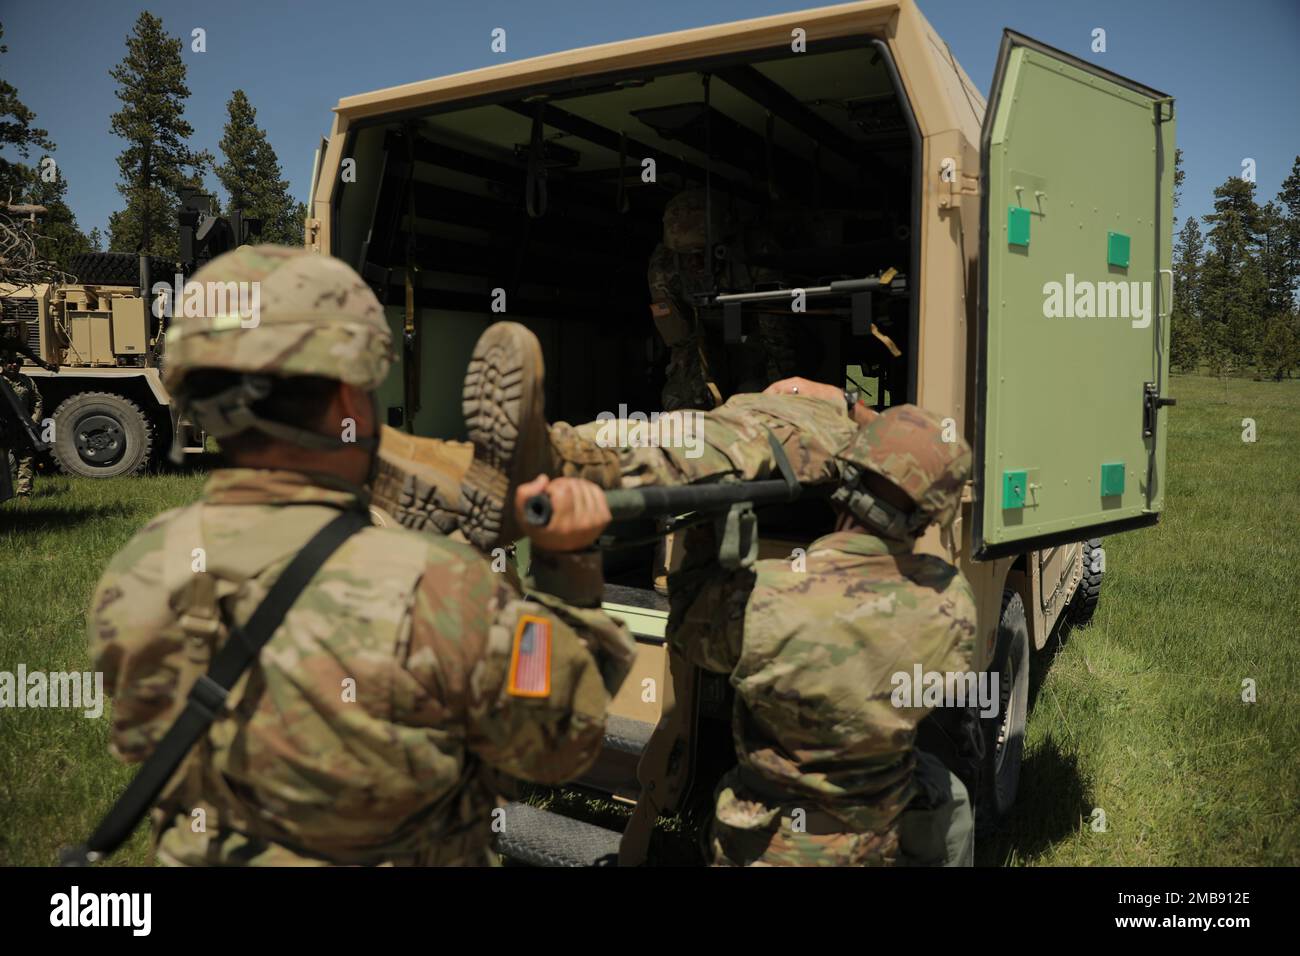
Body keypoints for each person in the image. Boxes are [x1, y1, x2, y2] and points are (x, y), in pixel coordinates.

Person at [87, 246, 636, 866]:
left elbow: (142, 733)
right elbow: (562, 740)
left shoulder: (140, 565)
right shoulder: (445, 590)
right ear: (350, 404)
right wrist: (569, 568)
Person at [666, 402, 978, 866]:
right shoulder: (953, 602)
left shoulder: (769, 596)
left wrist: (715, 514)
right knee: (944, 787)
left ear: (842, 485)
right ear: (929, 518)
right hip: (877, 844)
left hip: (769, 848)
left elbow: (690, 630)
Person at [646, 189, 798, 412]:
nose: (695, 261)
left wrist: (781, 394)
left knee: (754, 402)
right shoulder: (664, 266)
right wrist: (699, 389)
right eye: (686, 254)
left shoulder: (754, 254)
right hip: (705, 343)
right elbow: (680, 340)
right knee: (680, 401)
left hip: (753, 341)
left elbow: (777, 336)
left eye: (701, 251)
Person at [1, 352, 43, 499]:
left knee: (26, 459)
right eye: (10, 361)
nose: (14, 365)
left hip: (22, 427)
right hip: (2, 427)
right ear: (2, 363)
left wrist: (33, 421)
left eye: (18, 361)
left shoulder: (27, 381)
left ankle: (24, 494)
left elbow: (37, 401)